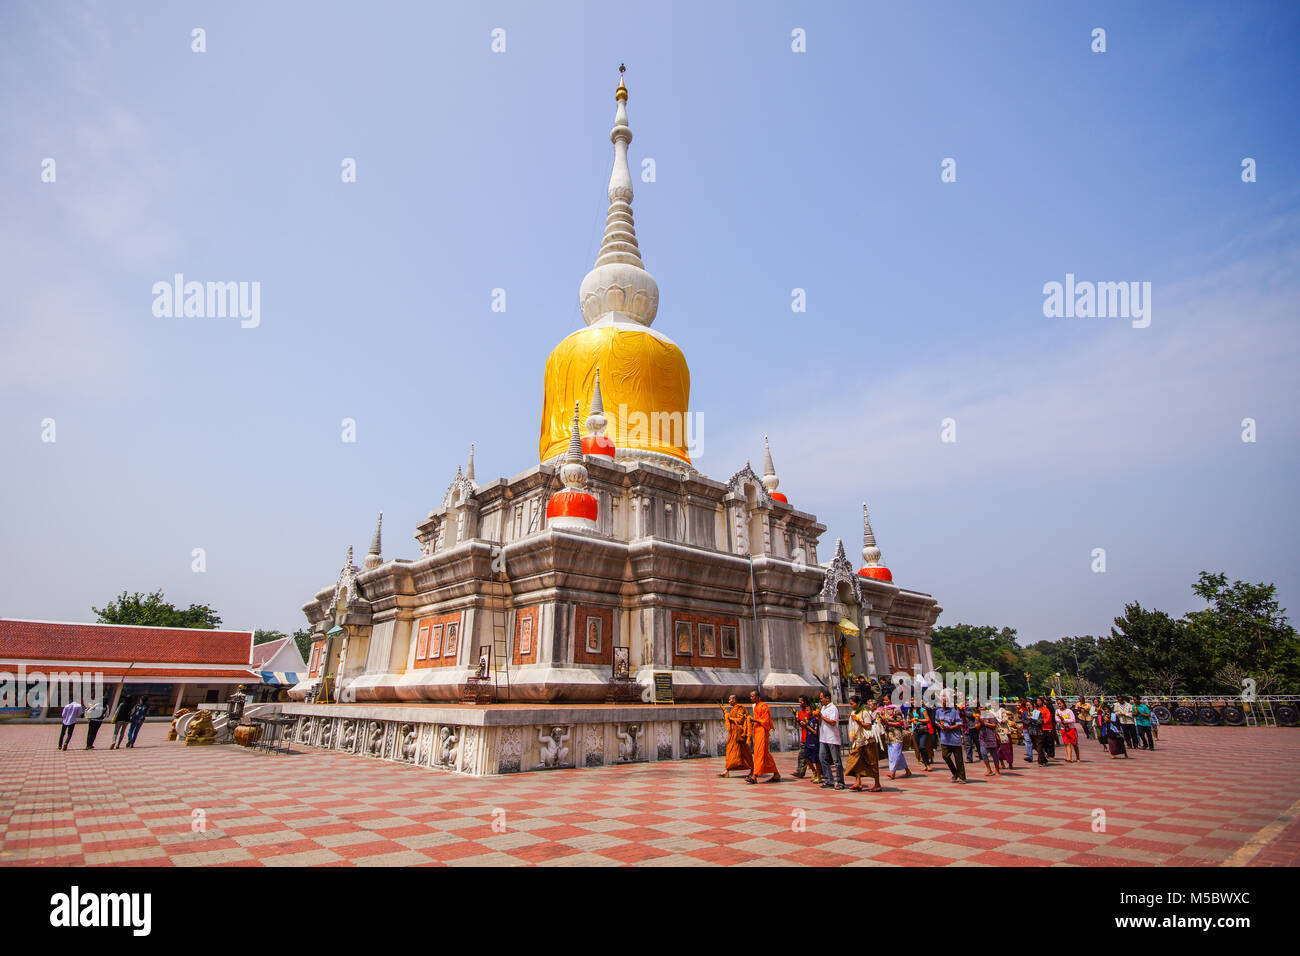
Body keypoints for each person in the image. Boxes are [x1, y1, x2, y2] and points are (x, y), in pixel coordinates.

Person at [844, 696, 883, 792]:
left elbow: (868, 726)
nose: (851, 706)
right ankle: (858, 782)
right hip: (858, 740)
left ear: (857, 703)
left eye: (852, 704)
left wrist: (859, 722)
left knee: (872, 761)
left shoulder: (864, 712)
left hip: (867, 740)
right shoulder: (854, 713)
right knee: (856, 760)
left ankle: (877, 784)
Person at [745, 690, 780, 784]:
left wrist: (753, 720)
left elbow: (765, 721)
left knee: (759, 754)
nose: (751, 698)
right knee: (764, 755)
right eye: (750, 696)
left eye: (752, 696)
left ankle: (754, 776)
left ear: (757, 697)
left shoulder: (763, 706)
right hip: (757, 732)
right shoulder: (755, 706)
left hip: (763, 732)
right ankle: (776, 774)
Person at [719, 694, 753, 778]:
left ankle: (753, 769)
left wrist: (730, 719)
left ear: (735, 700)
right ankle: (727, 770)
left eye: (730, 699)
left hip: (739, 734)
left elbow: (741, 720)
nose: (729, 701)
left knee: (745, 753)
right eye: (729, 699)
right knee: (731, 751)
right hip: (733, 734)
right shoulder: (733, 709)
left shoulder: (740, 708)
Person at [817, 689, 845, 790]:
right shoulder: (823, 708)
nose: (821, 700)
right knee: (822, 758)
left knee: (836, 761)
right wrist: (819, 717)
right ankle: (829, 780)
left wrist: (822, 717)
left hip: (832, 737)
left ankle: (840, 782)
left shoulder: (833, 708)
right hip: (824, 737)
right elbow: (822, 722)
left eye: (822, 698)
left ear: (827, 698)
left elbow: (833, 722)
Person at [935, 694, 966, 783]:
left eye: (945, 701)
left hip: (954, 738)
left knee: (958, 759)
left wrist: (950, 727)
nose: (944, 703)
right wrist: (940, 726)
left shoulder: (954, 711)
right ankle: (955, 772)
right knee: (945, 756)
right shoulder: (938, 711)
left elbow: (959, 724)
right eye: (943, 701)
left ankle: (962, 776)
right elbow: (937, 721)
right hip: (944, 737)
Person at [879, 703, 913, 780]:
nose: (885, 701)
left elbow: (900, 723)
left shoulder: (896, 709)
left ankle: (892, 772)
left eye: (887, 700)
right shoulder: (884, 710)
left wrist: (889, 723)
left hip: (896, 735)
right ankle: (907, 771)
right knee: (896, 754)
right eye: (884, 700)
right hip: (888, 735)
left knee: (895, 754)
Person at [792, 696, 821, 782]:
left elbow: (815, 729)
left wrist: (807, 725)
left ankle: (819, 774)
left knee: (815, 758)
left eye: (801, 702)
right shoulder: (800, 713)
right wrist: (797, 721)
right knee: (804, 755)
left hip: (813, 739)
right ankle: (805, 771)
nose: (800, 704)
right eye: (799, 702)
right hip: (805, 737)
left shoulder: (813, 716)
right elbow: (801, 725)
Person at [910, 703, 936, 772]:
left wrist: (918, 720)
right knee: (919, 748)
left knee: (922, 746)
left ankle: (928, 764)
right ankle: (926, 765)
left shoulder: (922, 709)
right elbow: (909, 720)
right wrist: (910, 721)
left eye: (914, 700)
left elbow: (928, 720)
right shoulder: (911, 710)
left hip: (923, 730)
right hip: (916, 730)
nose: (913, 701)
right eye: (911, 700)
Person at [1057, 698, 1080, 763]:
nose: (1059, 705)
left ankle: (1077, 757)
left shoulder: (1069, 711)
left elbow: (1073, 720)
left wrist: (1065, 721)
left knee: (1074, 744)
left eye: (1060, 703)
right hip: (1063, 729)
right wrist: (1061, 721)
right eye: (1058, 704)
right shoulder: (1058, 711)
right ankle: (1069, 758)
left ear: (1063, 703)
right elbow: (1057, 719)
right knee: (1067, 743)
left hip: (1071, 729)